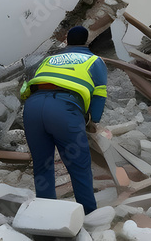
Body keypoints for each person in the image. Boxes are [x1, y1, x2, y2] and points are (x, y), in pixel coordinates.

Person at [20, 26, 107, 214]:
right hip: (63, 109)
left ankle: (46, 216)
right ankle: (89, 216)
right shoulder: (94, 60)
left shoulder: (49, 60)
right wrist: (93, 121)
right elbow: (99, 95)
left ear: (67, 40)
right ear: (86, 41)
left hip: (32, 108)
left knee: (42, 166)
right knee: (79, 166)